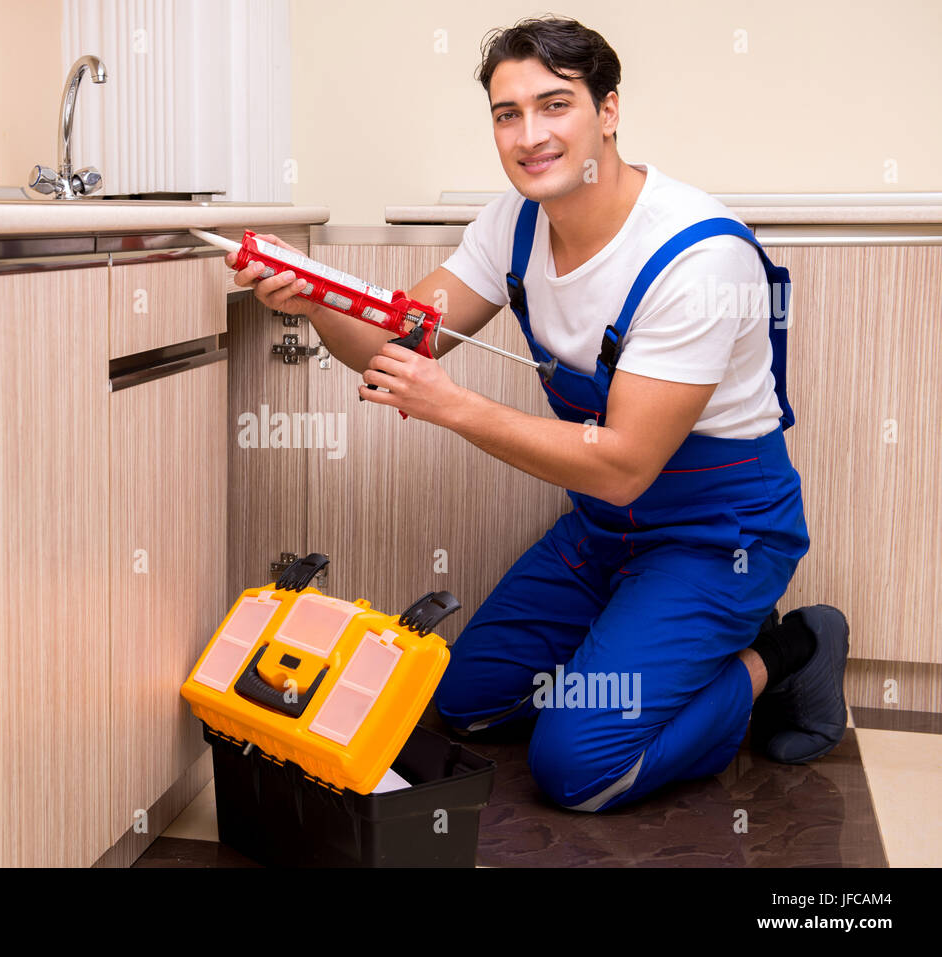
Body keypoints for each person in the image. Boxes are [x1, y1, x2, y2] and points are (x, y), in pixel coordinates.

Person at [230, 16, 849, 812]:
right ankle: (638, 651)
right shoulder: (512, 226)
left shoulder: (698, 258)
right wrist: (312, 302)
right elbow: (400, 336)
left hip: (716, 535)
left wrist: (452, 408)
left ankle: (782, 651)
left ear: (610, 111)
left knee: (579, 768)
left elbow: (626, 463)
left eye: (555, 105)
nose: (530, 134)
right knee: (465, 702)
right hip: (604, 530)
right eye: (507, 113)